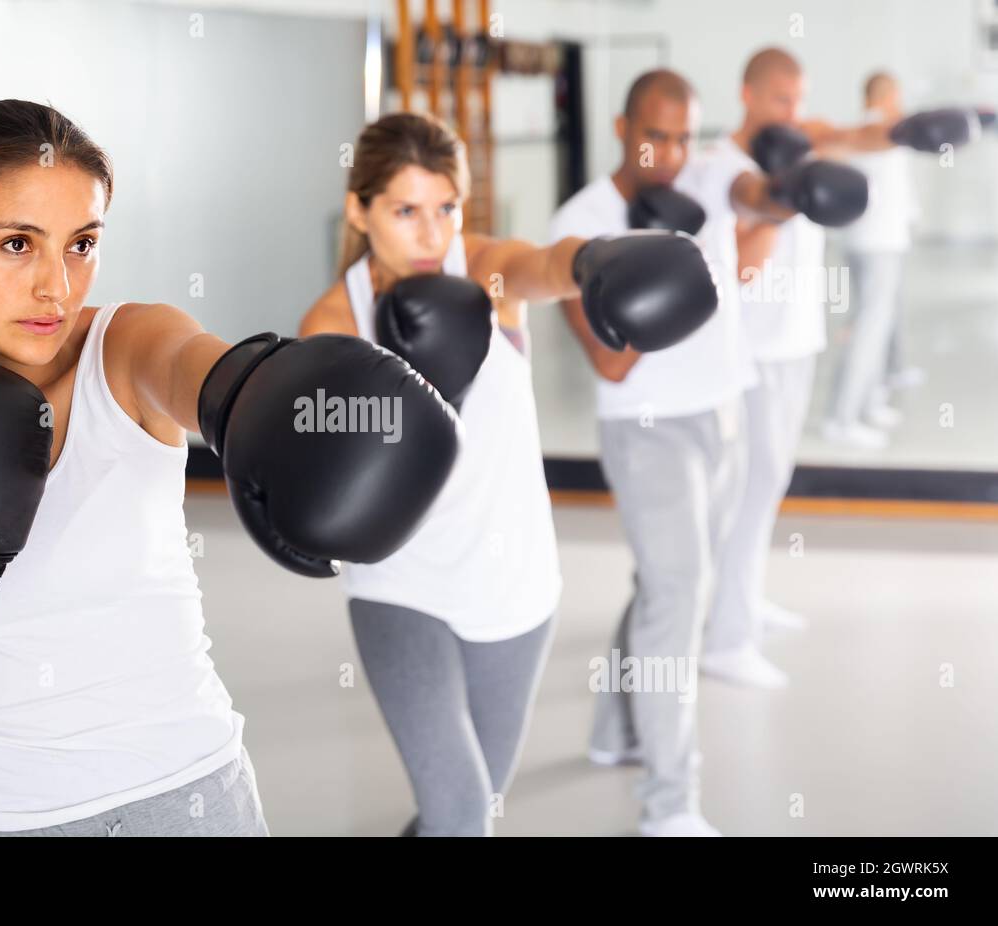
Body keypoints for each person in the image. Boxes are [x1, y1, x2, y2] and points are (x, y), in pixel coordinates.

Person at [0, 99, 462, 837]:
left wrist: (258, 400)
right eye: (17, 244)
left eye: (81, 243)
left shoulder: (124, 345)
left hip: (191, 801)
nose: (57, 286)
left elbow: (192, 364)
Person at [299, 110, 721, 836]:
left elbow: (549, 264)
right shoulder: (333, 323)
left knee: (465, 806)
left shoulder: (486, 269)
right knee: (464, 815)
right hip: (402, 589)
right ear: (359, 211)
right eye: (405, 211)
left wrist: (594, 262)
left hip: (515, 586)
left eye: (446, 209)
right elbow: (342, 470)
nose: (433, 235)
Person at [549, 67, 865, 835]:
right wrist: (656, 271)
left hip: (721, 412)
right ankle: (670, 803)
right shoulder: (581, 219)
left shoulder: (716, 175)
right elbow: (610, 361)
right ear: (623, 128)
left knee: (664, 583)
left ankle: (611, 731)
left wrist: (792, 192)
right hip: (647, 426)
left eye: (685, 134)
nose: (673, 152)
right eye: (656, 135)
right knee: (679, 592)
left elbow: (758, 198)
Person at [702, 47, 975, 686]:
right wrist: (786, 196)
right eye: (779, 100)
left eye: (798, 100)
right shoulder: (725, 166)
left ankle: (744, 599)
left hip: (796, 345)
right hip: (754, 354)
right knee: (748, 490)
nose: (792, 113)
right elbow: (741, 267)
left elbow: (858, 134)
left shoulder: (803, 141)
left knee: (769, 486)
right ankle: (724, 637)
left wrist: (914, 129)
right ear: (747, 94)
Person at [823, 71, 922, 448]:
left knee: (877, 326)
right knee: (868, 328)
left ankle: (868, 402)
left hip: (881, 241)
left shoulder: (882, 133)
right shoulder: (874, 133)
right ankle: (842, 416)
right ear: (887, 95)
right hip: (875, 243)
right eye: (896, 93)